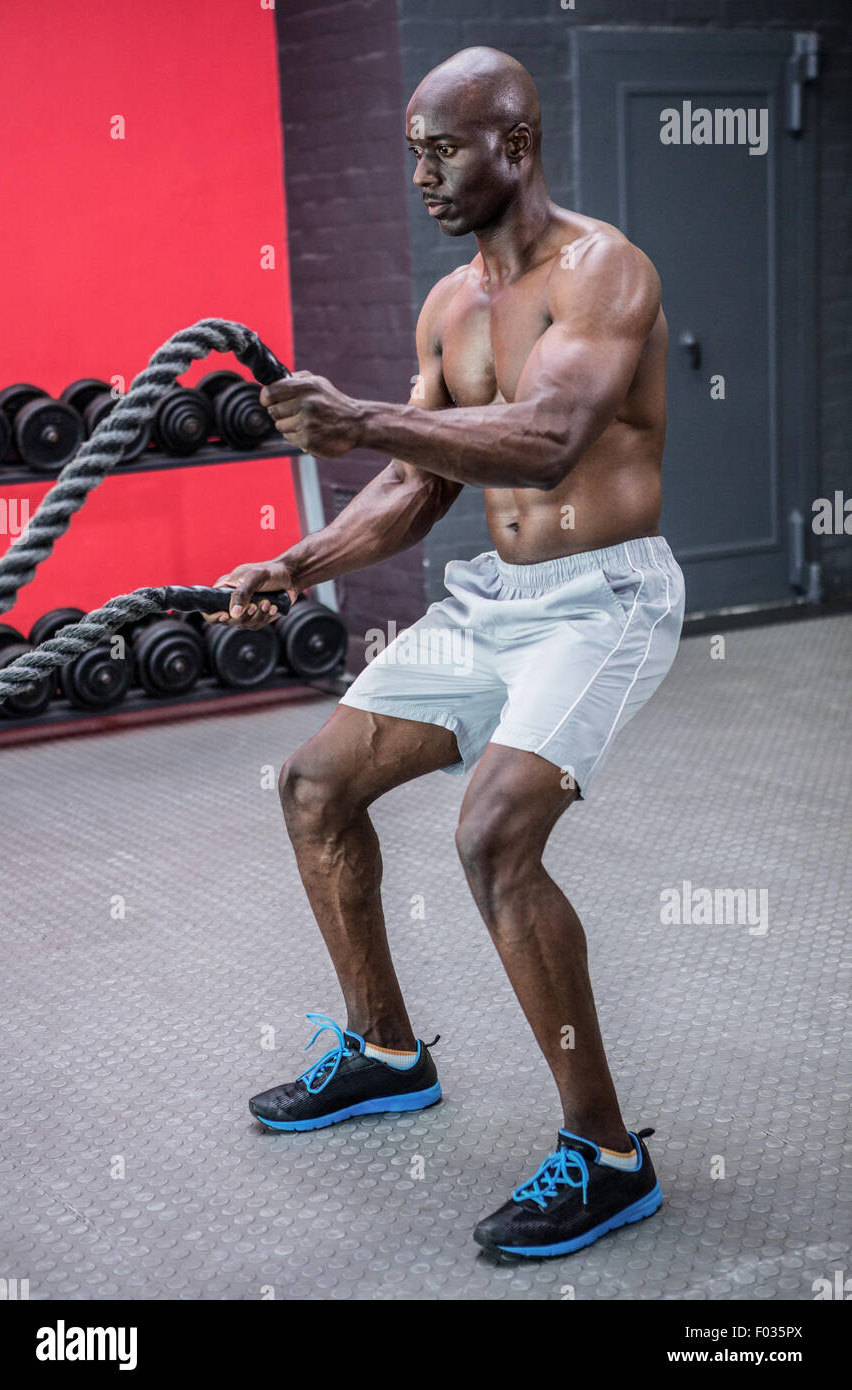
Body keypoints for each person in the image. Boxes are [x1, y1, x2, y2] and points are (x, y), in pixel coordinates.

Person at [206, 46, 685, 1258]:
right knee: (315, 786)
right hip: (493, 603)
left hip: (603, 600)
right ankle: (379, 1049)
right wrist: (297, 564)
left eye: (439, 150)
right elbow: (419, 483)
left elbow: (546, 438)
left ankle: (606, 1154)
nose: (418, 174)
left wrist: (357, 411)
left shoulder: (603, 271)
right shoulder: (448, 303)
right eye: (409, 151)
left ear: (513, 148)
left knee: (491, 836)